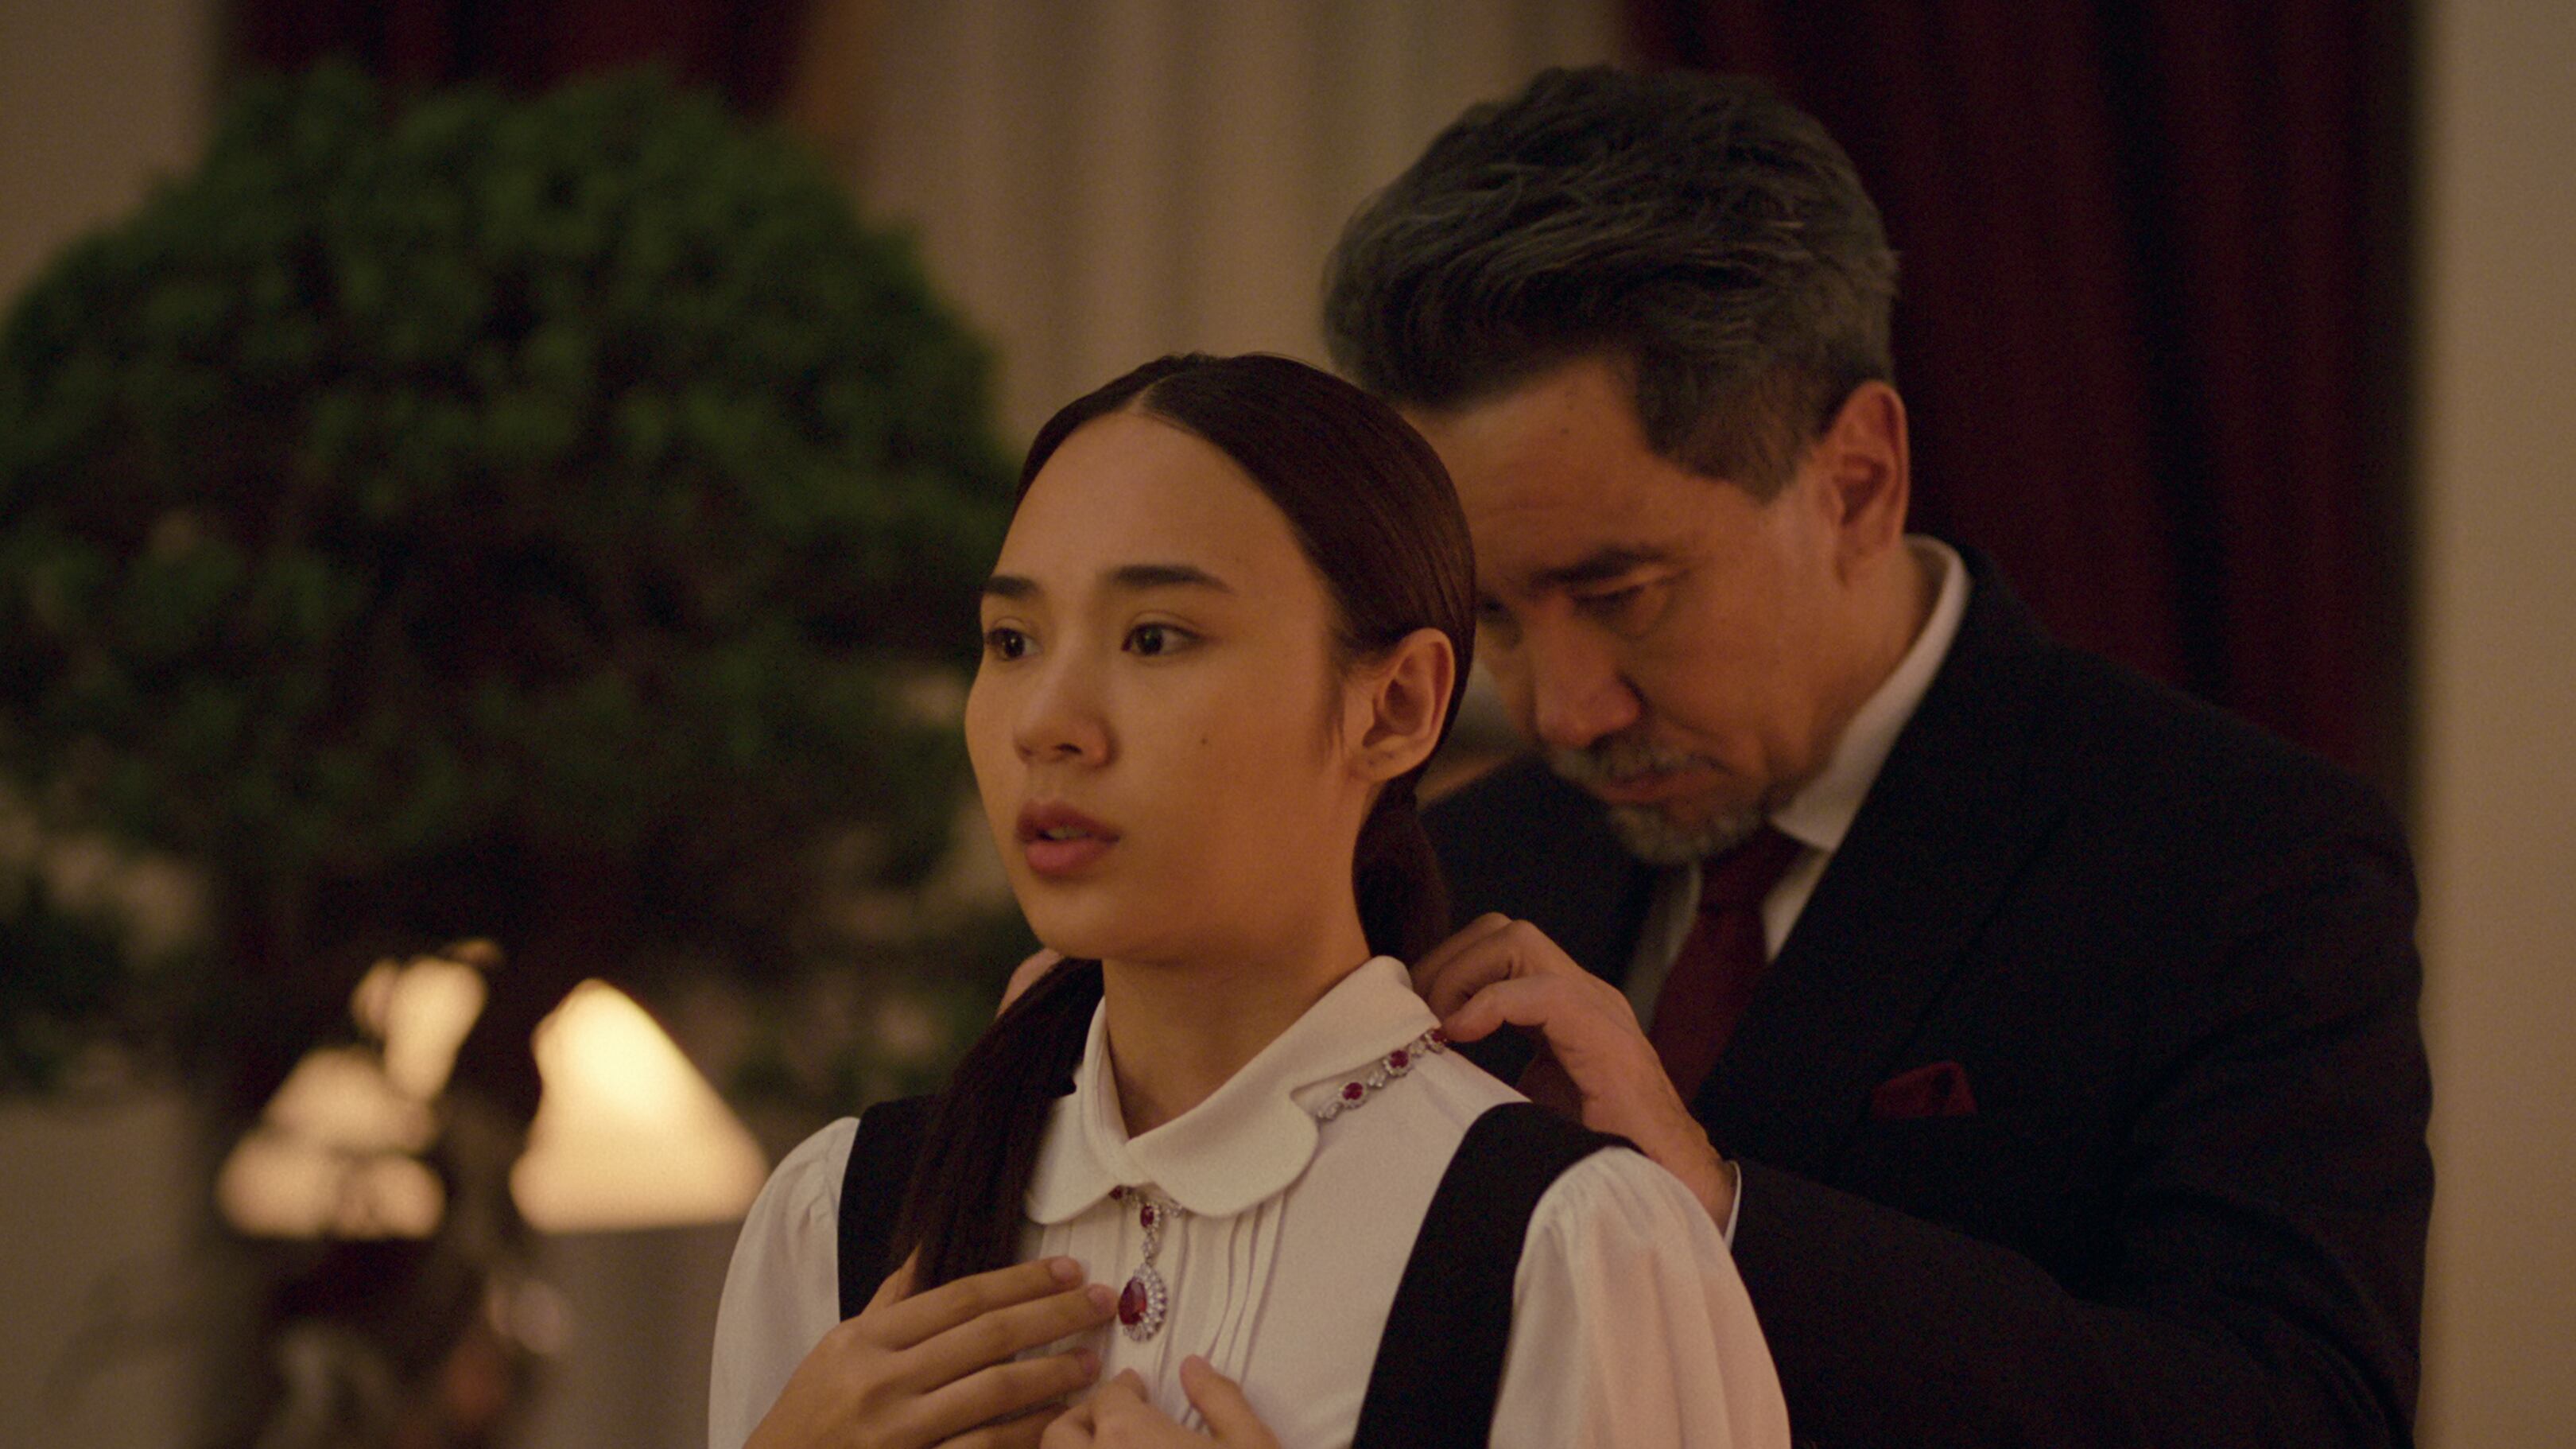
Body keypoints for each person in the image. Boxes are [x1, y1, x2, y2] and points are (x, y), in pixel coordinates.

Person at [1319, 67, 2432, 1448]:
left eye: (1622, 594)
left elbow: (2303, 1420)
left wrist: (1715, 1213)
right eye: (1491, 615)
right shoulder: (1461, 863)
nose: (1562, 713)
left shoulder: (2241, 858)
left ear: (1856, 480)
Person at [707, 353, 1790, 1449]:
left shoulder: (1572, 1246)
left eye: (1155, 637)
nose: (1046, 722)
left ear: (1397, 705)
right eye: (1012, 642)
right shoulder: (837, 1210)